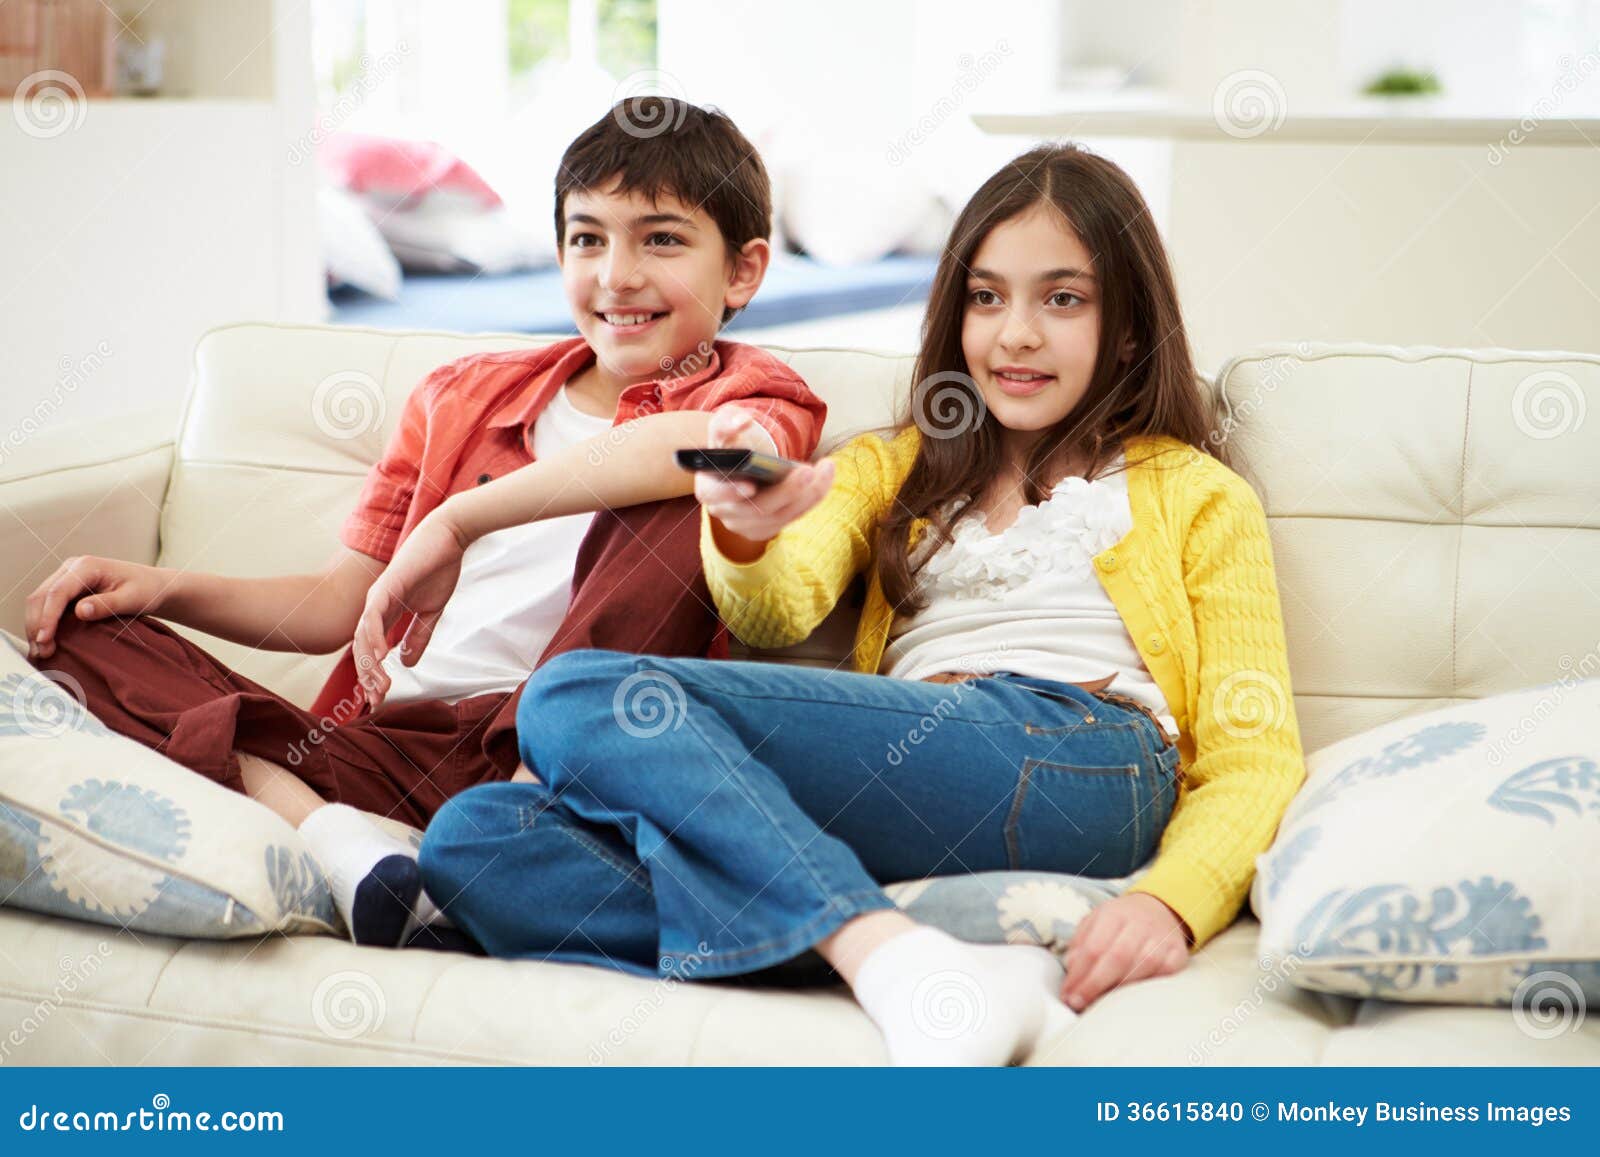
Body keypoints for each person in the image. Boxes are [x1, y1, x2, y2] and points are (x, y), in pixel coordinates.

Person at [421, 141, 1307, 1065]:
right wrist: (744, 529)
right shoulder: (893, 466)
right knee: (478, 842)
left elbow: (1256, 751)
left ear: (1127, 328)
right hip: (921, 780)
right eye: (987, 296)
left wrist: (1171, 900)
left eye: (1064, 298)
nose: (1016, 335)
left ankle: (881, 956)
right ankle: (928, 960)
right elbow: (776, 609)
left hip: (1089, 763)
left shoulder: (1197, 493)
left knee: (574, 696)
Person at [24, 98, 826, 948]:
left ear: (742, 271)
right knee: (85, 632)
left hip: (565, 761)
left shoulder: (755, 397)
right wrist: (162, 587)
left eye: (660, 239)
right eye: (588, 238)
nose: (616, 276)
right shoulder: (462, 394)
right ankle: (347, 849)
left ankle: (506, 836)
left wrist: (461, 518)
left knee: (689, 491)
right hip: (392, 750)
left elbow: (720, 453)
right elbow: (339, 607)